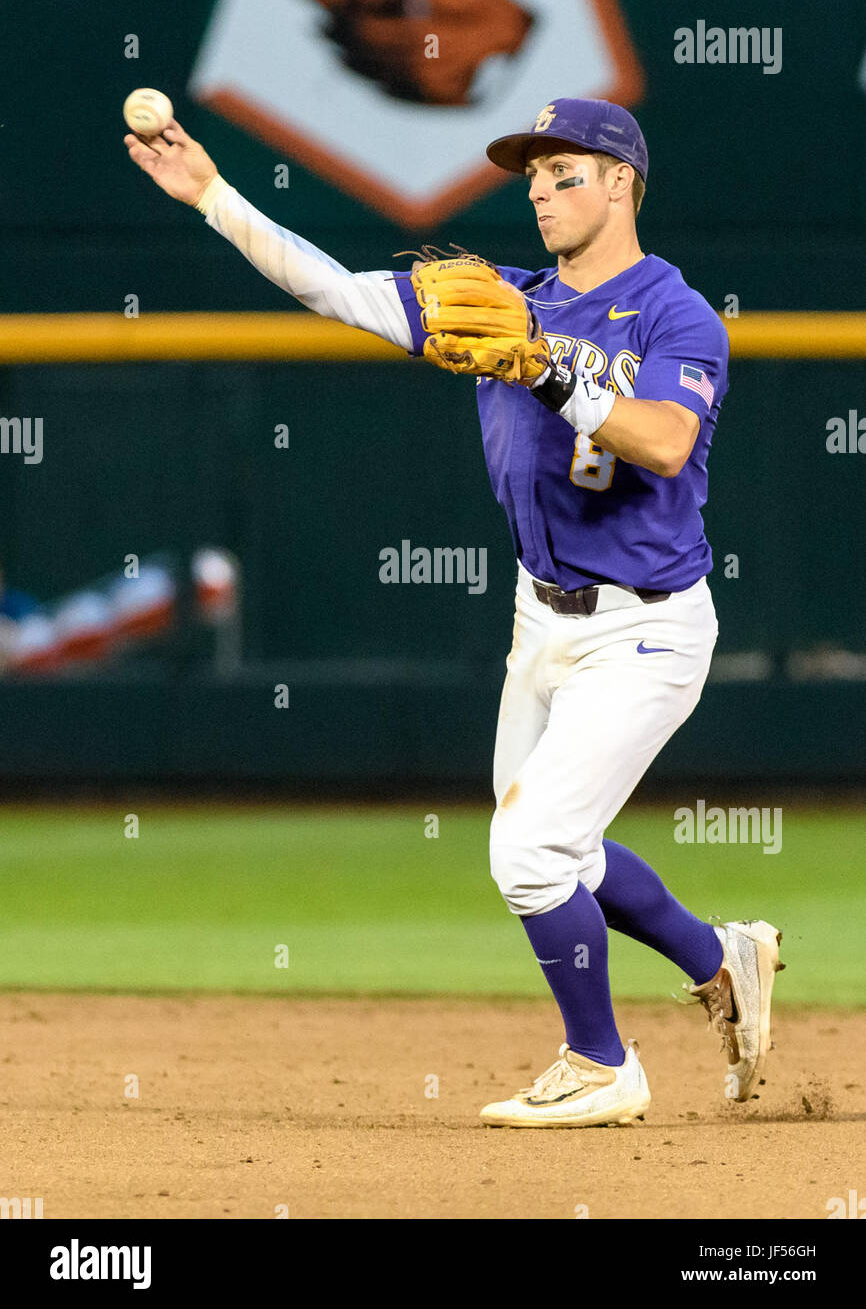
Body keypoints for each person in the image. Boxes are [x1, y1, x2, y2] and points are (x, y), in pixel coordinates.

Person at [124, 96, 783, 1129]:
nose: (538, 191)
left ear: (621, 183)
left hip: (645, 627)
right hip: (542, 619)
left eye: (562, 172)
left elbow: (657, 439)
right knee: (557, 848)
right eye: (527, 175)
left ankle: (600, 1062)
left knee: (525, 854)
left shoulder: (673, 313)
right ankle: (721, 958)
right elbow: (330, 286)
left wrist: (549, 366)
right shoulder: (500, 300)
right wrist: (210, 194)